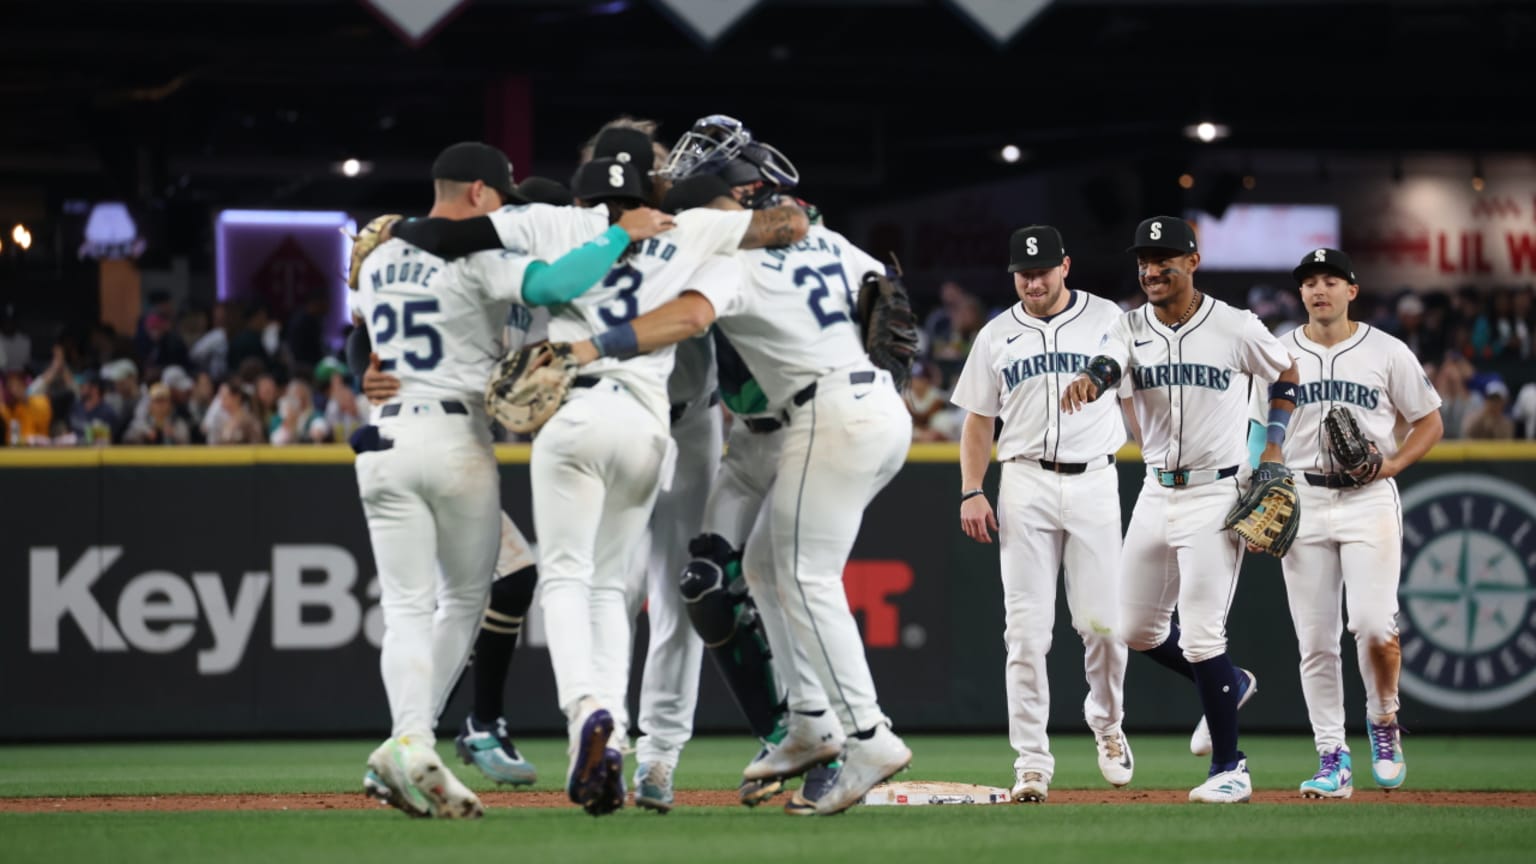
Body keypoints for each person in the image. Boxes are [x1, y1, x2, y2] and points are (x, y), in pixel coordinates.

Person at [381, 151, 805, 817]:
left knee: (568, 579)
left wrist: (388, 232)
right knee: (618, 587)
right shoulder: (680, 227)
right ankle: (629, 743)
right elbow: (786, 225)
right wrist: (725, 214)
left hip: (575, 412)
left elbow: (447, 235)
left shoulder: (557, 222)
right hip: (646, 428)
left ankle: (593, 715)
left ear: (579, 198)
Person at [560, 169, 912, 817]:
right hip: (873, 405)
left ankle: (868, 734)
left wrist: (592, 344)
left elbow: (691, 315)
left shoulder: (728, 255)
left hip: (825, 415)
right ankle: (809, 721)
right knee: (761, 566)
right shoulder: (828, 240)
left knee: (806, 575)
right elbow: (886, 292)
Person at [349, 140, 674, 819]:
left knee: (407, 607)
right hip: (453, 437)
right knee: (464, 600)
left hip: (381, 439)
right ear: (477, 193)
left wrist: (365, 366)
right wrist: (618, 232)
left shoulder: (376, 254)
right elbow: (552, 286)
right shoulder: (480, 258)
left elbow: (366, 330)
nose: (505, 210)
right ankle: (417, 739)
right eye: (500, 196)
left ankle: (409, 743)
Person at [1061, 215, 1300, 804]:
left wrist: (1271, 445)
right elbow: (1108, 362)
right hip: (1155, 489)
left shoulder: (1236, 326)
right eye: (1143, 259)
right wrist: (1093, 378)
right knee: (1136, 629)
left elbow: (1287, 374)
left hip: (1217, 492)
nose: (1150, 269)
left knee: (1200, 636)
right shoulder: (1129, 324)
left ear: (1192, 263)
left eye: (1164, 258)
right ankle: (1231, 682)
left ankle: (1230, 768)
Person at [952, 225, 1132, 803]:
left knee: (1103, 625)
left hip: (1096, 479)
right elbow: (978, 420)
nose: (1033, 279)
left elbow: (1138, 392)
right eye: (1024, 272)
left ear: (1065, 267)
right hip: (1024, 480)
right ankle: (1031, 762)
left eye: (1043, 269)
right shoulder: (997, 334)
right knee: (1026, 635)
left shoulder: (1109, 317)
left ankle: (1106, 724)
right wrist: (970, 489)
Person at [1277, 248, 1443, 799]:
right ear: (1300, 294)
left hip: (1369, 496)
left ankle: (1384, 718)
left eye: (1330, 280)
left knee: (1373, 624)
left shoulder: (1386, 350)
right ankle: (1332, 756)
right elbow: (1261, 428)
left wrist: (1393, 464)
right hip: (1303, 495)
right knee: (1315, 640)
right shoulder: (1279, 352)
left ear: (1352, 290)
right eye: (1309, 282)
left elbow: (1429, 421)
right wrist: (1264, 478)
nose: (1318, 289)